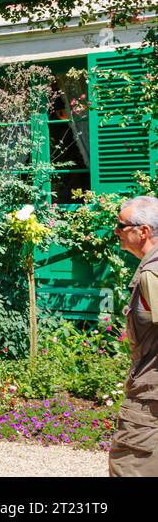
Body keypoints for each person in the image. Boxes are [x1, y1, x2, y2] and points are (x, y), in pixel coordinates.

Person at [109, 196, 158, 476]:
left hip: (150, 406)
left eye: (122, 225)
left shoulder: (153, 274)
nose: (116, 230)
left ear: (143, 232)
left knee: (131, 467)